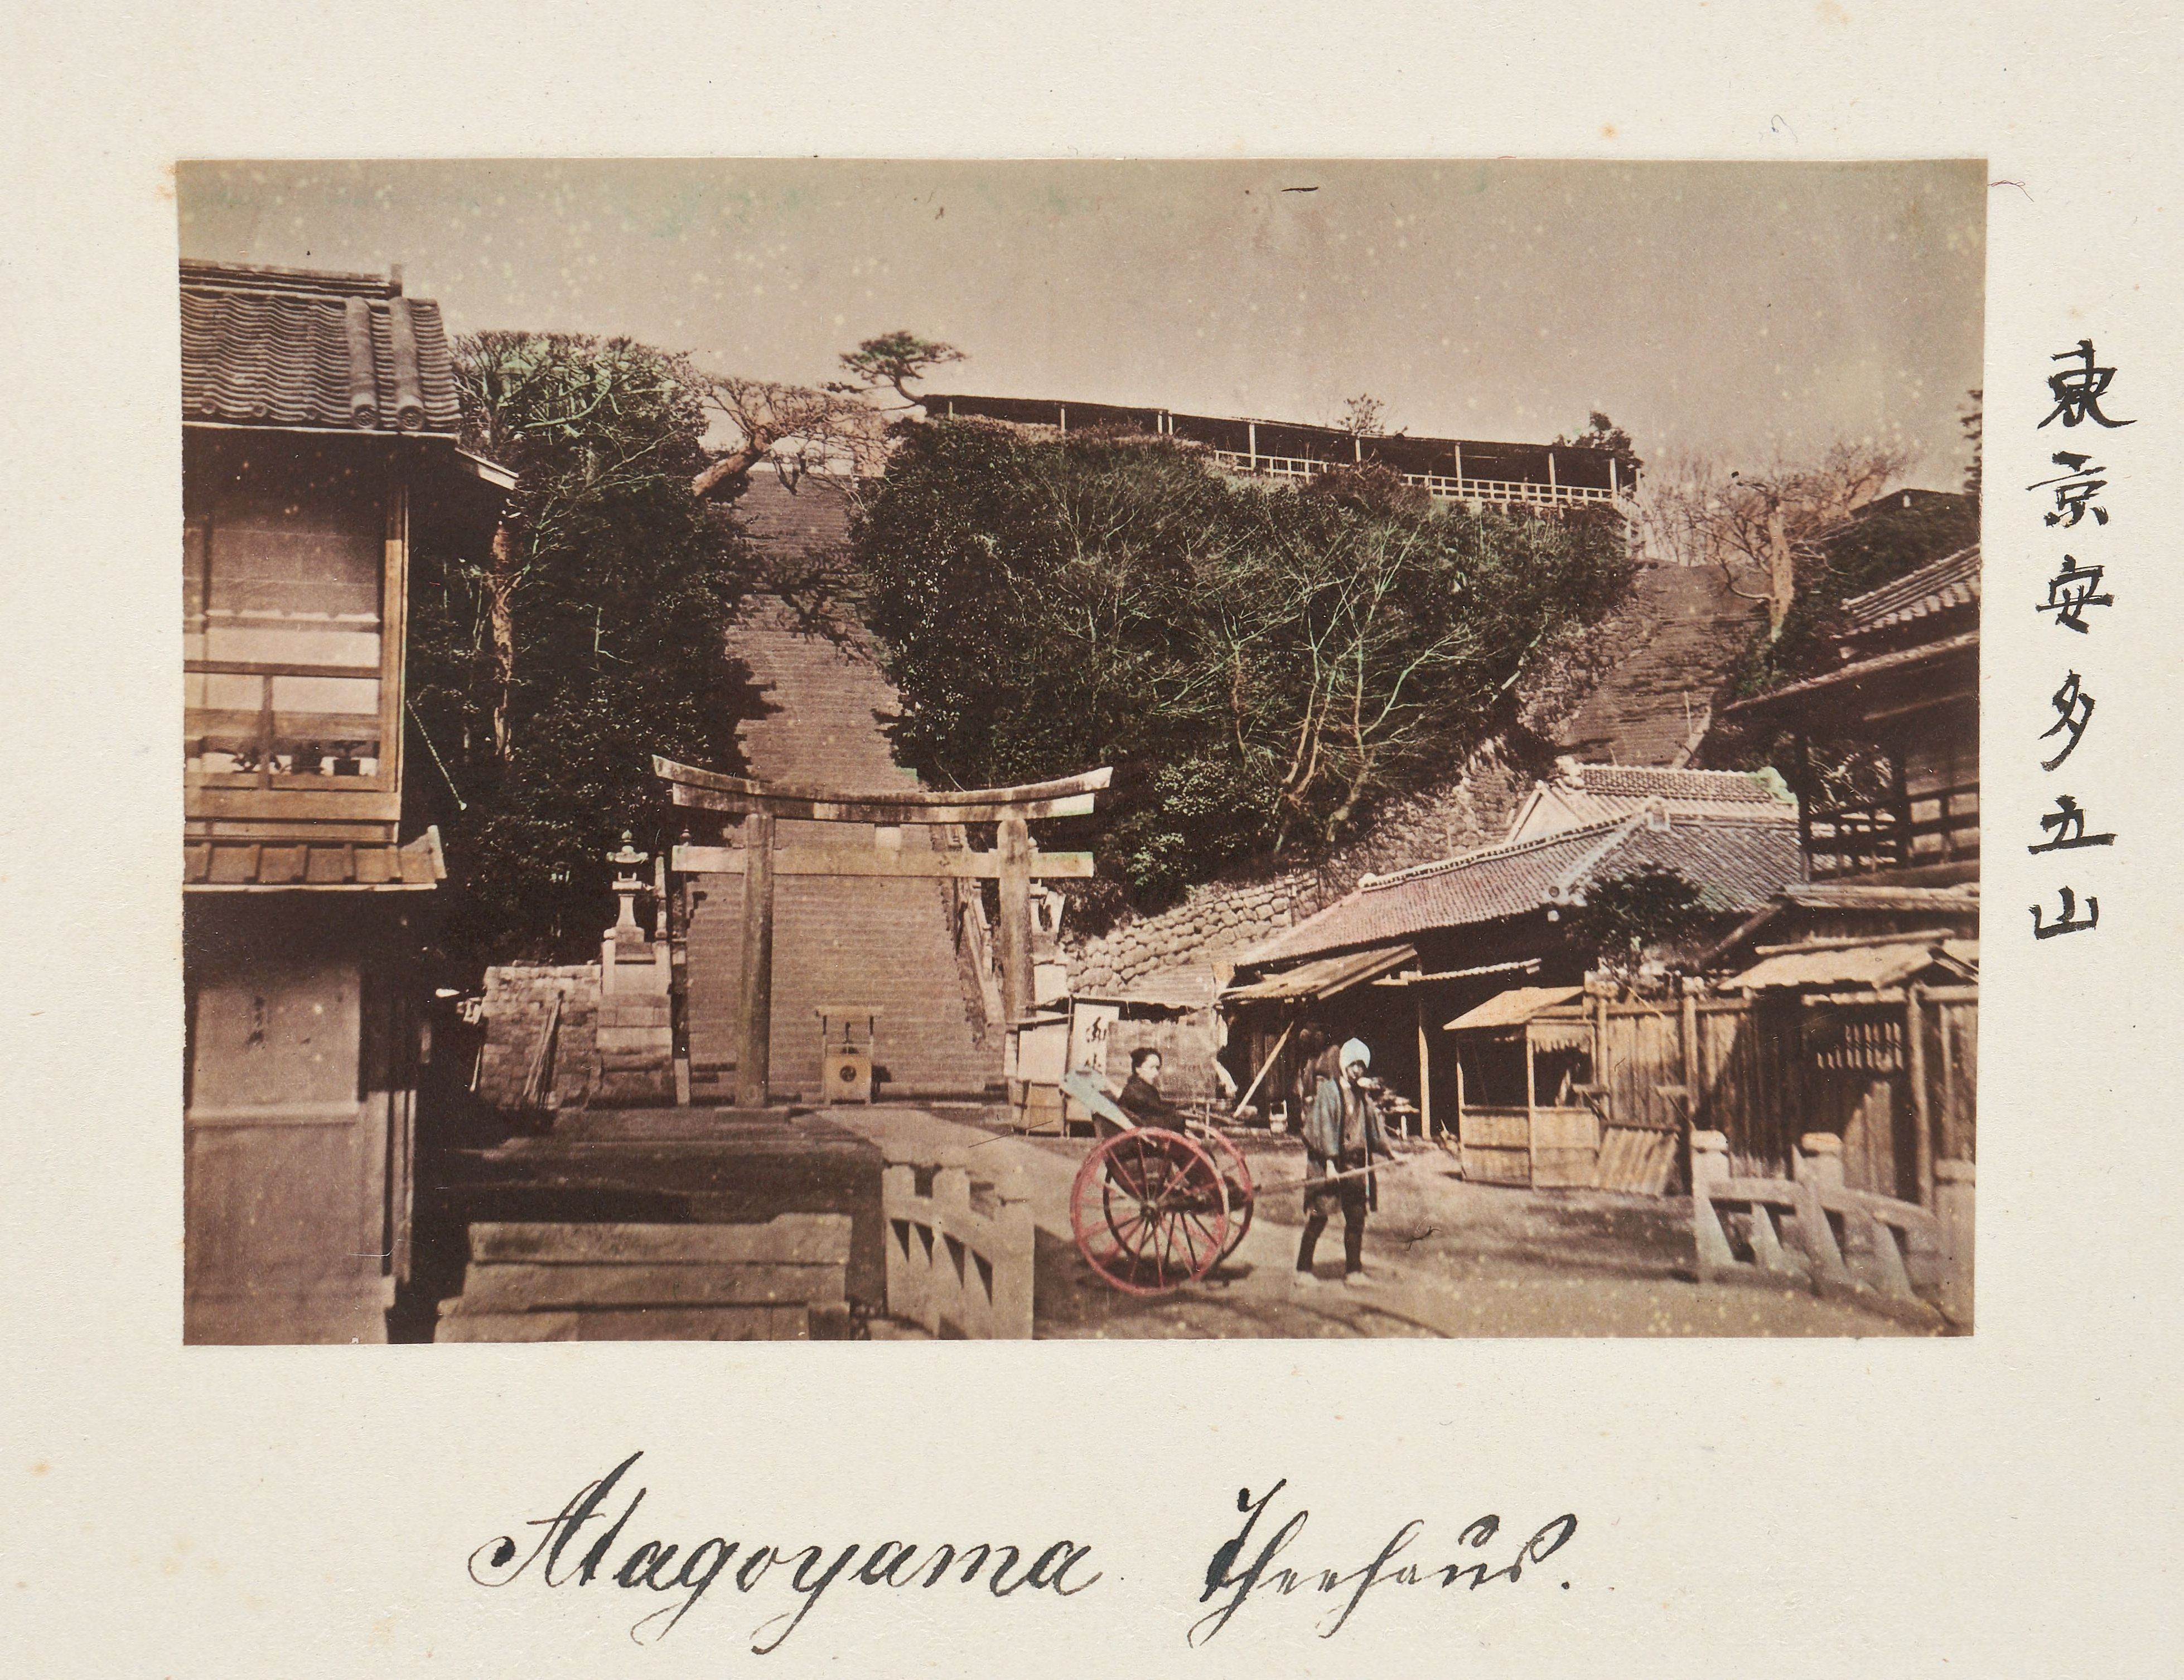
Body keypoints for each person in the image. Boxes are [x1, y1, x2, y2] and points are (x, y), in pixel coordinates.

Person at [1295, 1037, 1392, 1287]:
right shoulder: (1329, 1090)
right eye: (1354, 1065)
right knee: (1320, 1216)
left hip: (1354, 1165)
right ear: (1344, 1063)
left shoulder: (1361, 1095)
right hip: (1328, 1164)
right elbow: (1325, 1127)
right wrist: (1329, 1164)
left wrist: (1390, 1152)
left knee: (1356, 1217)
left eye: (1362, 1066)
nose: (1357, 1071)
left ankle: (1354, 1271)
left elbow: (1373, 1126)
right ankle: (1303, 1270)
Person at [1115, 1047, 1190, 1131]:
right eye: (1151, 1068)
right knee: (1177, 1120)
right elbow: (1155, 1110)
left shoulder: (1146, 1088)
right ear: (1138, 1069)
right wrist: (1181, 1117)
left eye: (1157, 1068)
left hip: (1145, 1129)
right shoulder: (1133, 1090)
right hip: (1139, 1135)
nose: (1156, 1073)